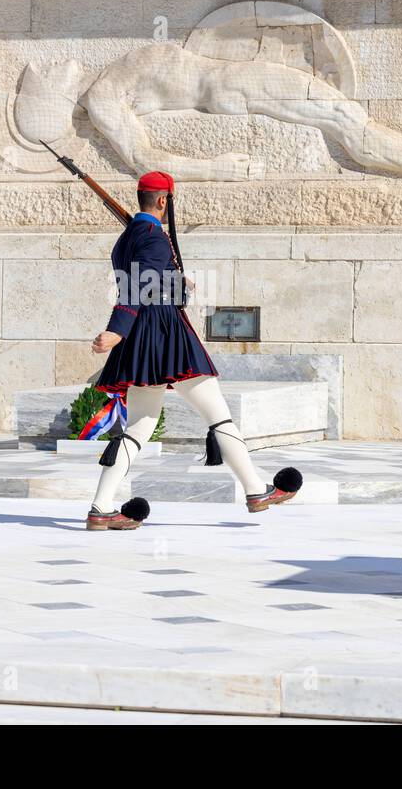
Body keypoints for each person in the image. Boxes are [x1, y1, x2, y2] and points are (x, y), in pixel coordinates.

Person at [86, 170, 301, 531]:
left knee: (138, 427)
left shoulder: (128, 238)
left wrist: (174, 280)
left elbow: (145, 277)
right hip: (166, 335)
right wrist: (114, 330)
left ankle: (100, 508)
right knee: (219, 416)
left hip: (142, 342)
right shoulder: (152, 237)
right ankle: (255, 490)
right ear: (163, 201)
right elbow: (137, 285)